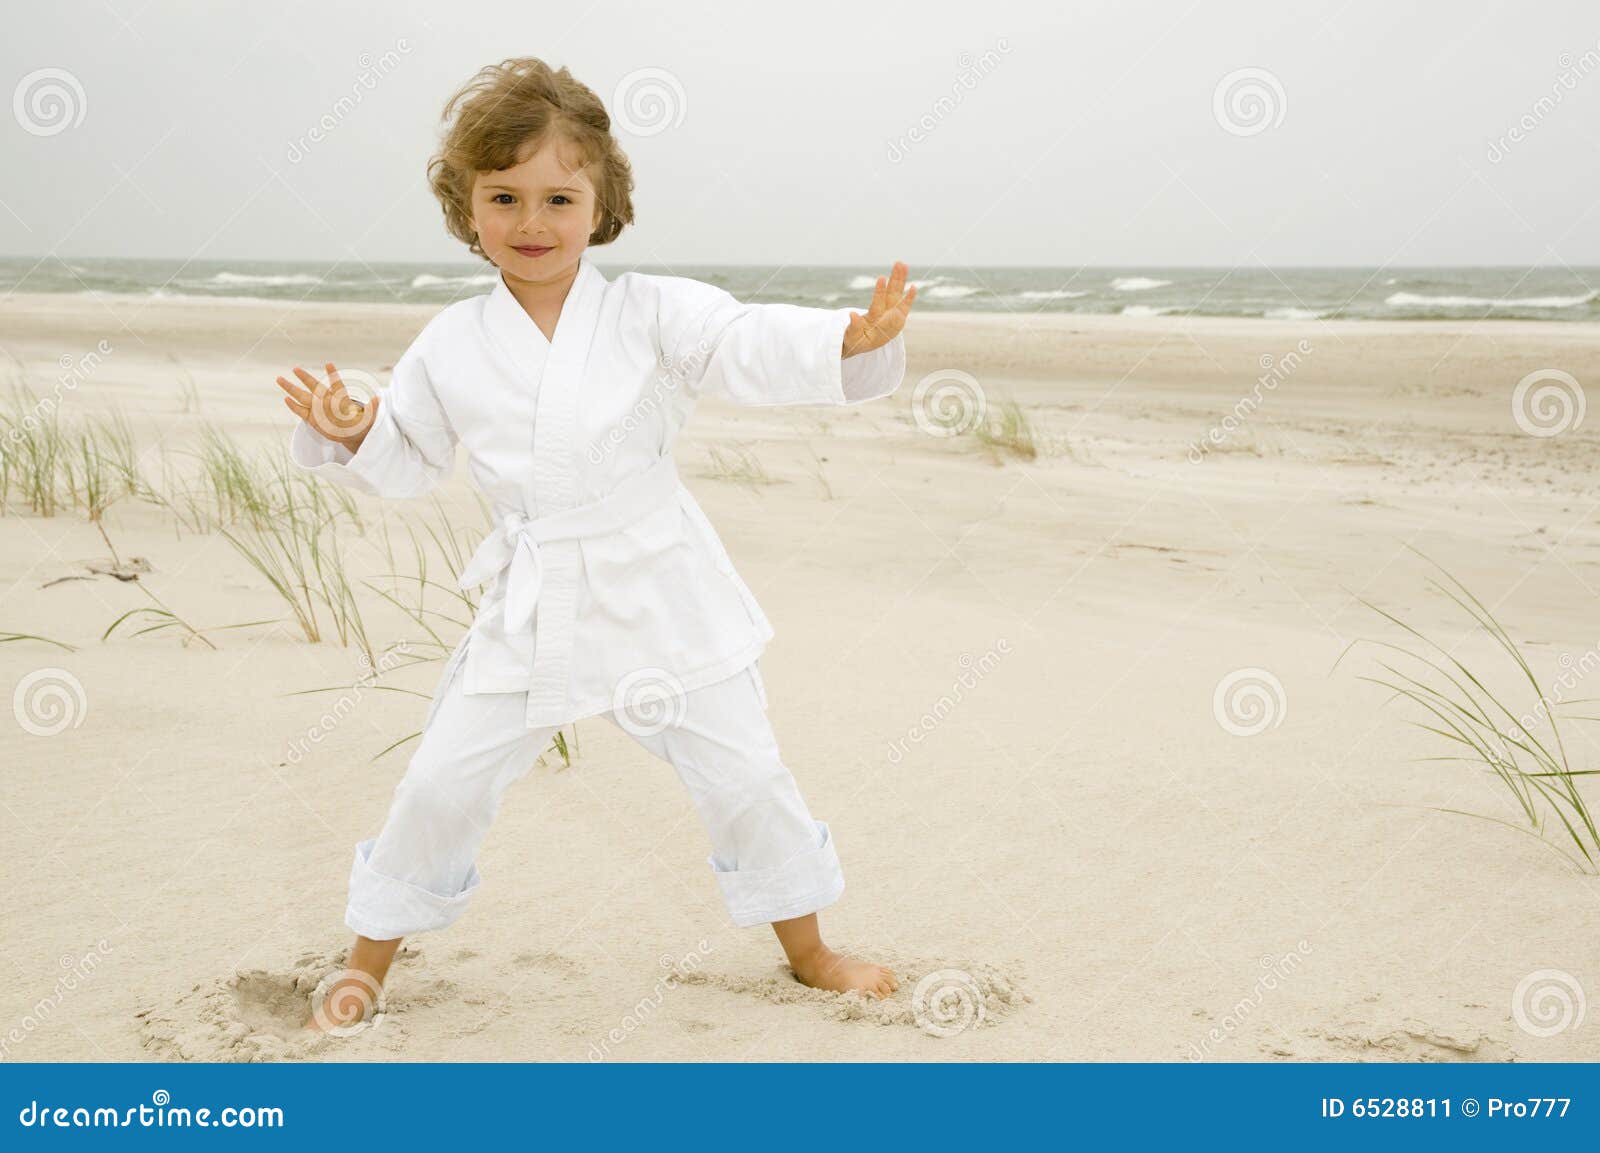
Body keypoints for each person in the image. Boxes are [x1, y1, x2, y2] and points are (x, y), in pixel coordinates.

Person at [274, 57, 916, 1033]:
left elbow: (740, 340)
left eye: (558, 197)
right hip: (534, 603)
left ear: (601, 202)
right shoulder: (451, 342)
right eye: (505, 196)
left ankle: (810, 946)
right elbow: (407, 457)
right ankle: (368, 960)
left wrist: (845, 342)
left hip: (660, 585)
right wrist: (356, 427)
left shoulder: (652, 311)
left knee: (743, 776)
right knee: (442, 782)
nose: (532, 221)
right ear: (467, 205)